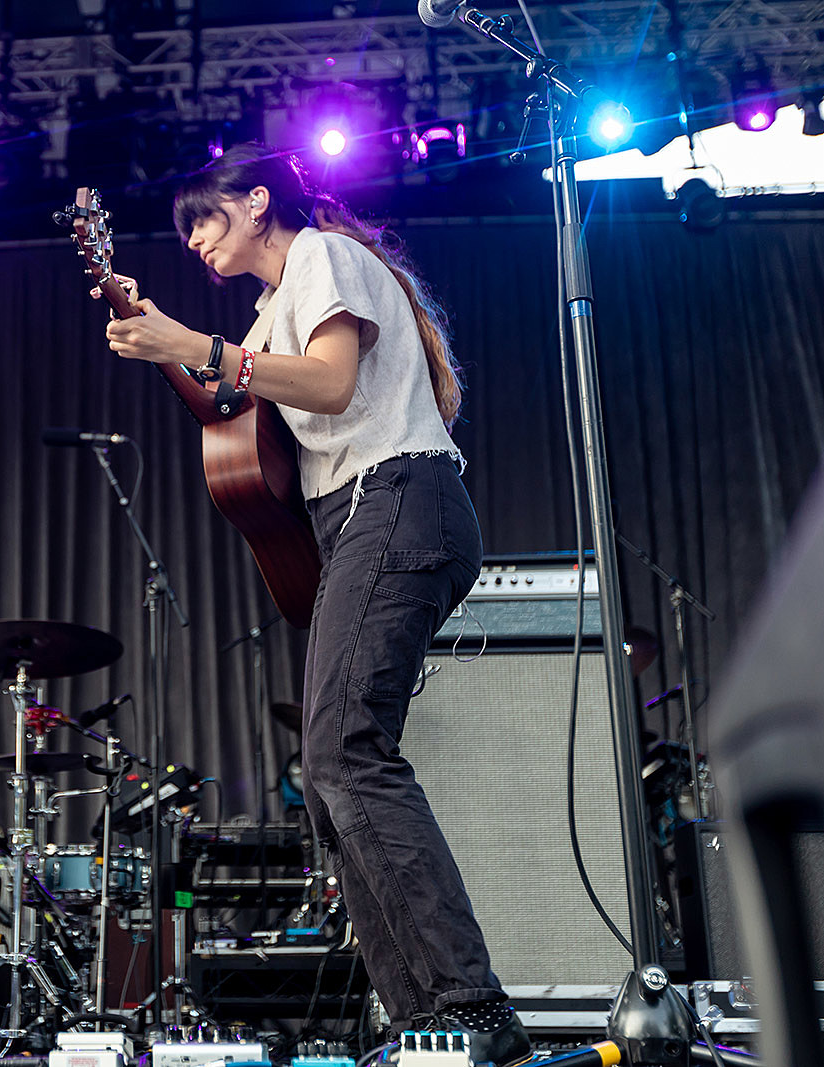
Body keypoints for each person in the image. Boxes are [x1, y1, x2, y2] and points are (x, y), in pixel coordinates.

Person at [102, 144, 528, 1064]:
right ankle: (427, 1026)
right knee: (334, 781)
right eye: (186, 232)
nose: (195, 240)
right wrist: (153, 329)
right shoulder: (267, 312)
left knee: (346, 754)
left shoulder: (323, 257)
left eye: (205, 218)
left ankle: (473, 1007)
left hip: (396, 496)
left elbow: (330, 382)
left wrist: (190, 344)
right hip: (357, 518)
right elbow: (229, 404)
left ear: (258, 202)